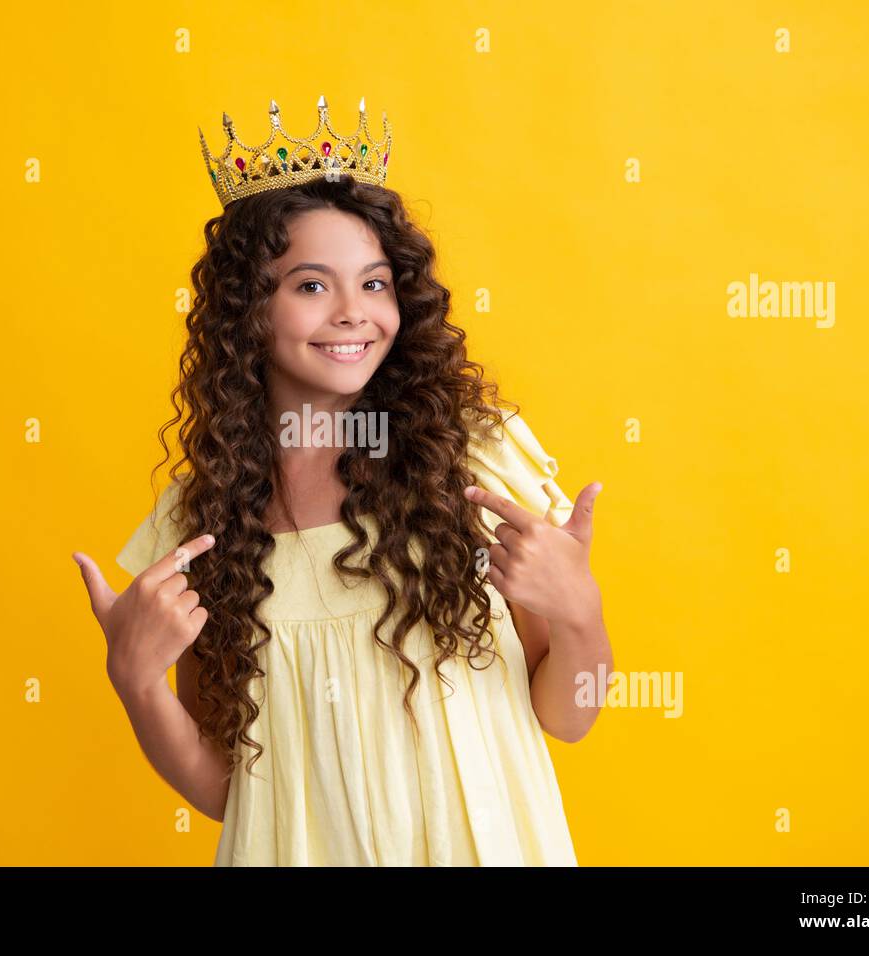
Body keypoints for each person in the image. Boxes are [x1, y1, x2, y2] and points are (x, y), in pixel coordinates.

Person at [72, 97, 612, 865]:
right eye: (312, 286)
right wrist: (134, 680)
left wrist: (581, 612)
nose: (354, 314)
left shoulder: (475, 464)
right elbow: (234, 793)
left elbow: (570, 716)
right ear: (248, 311)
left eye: (376, 284)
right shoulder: (210, 511)